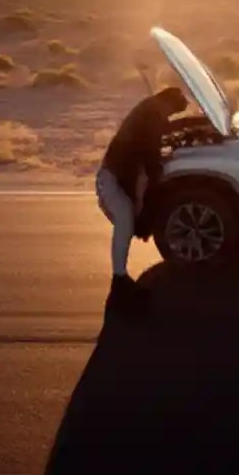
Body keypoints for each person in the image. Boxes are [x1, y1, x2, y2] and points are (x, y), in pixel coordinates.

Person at [95, 86, 207, 312]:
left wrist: (195, 123)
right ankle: (119, 281)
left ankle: (120, 280)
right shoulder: (151, 116)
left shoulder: (151, 110)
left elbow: (166, 129)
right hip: (113, 181)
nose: (170, 115)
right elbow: (150, 159)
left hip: (122, 178)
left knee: (128, 221)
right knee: (125, 221)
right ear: (168, 104)